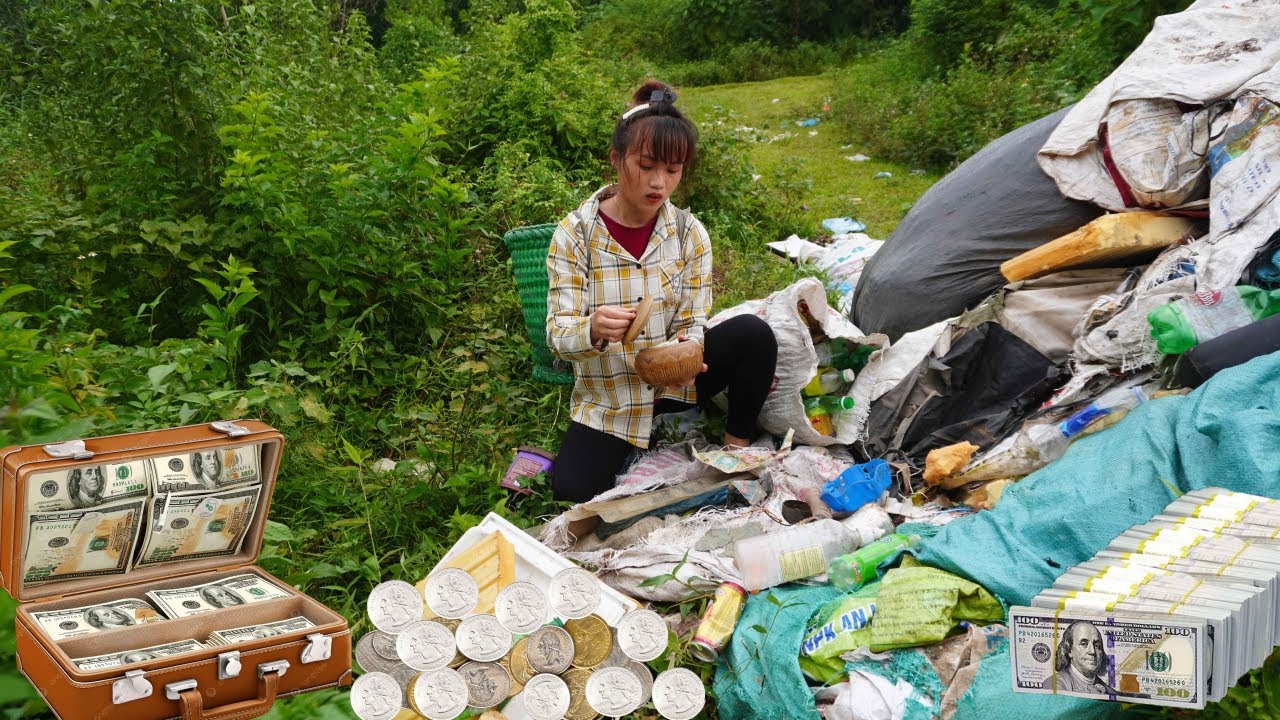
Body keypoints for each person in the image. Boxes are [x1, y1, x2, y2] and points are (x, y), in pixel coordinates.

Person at [546, 80, 778, 503]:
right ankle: (636, 443)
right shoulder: (574, 235)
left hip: (674, 385)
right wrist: (593, 328)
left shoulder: (689, 233)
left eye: (672, 171)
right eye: (647, 166)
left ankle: (733, 454)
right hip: (611, 399)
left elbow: (693, 319)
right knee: (572, 491)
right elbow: (558, 336)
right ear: (617, 160)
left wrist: (690, 350)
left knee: (753, 335)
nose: (659, 183)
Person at [1045, 621, 1118, 694]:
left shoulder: (1112, 693)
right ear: (1069, 650)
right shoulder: (1055, 684)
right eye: (1084, 644)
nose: (1092, 651)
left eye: (1097, 646)